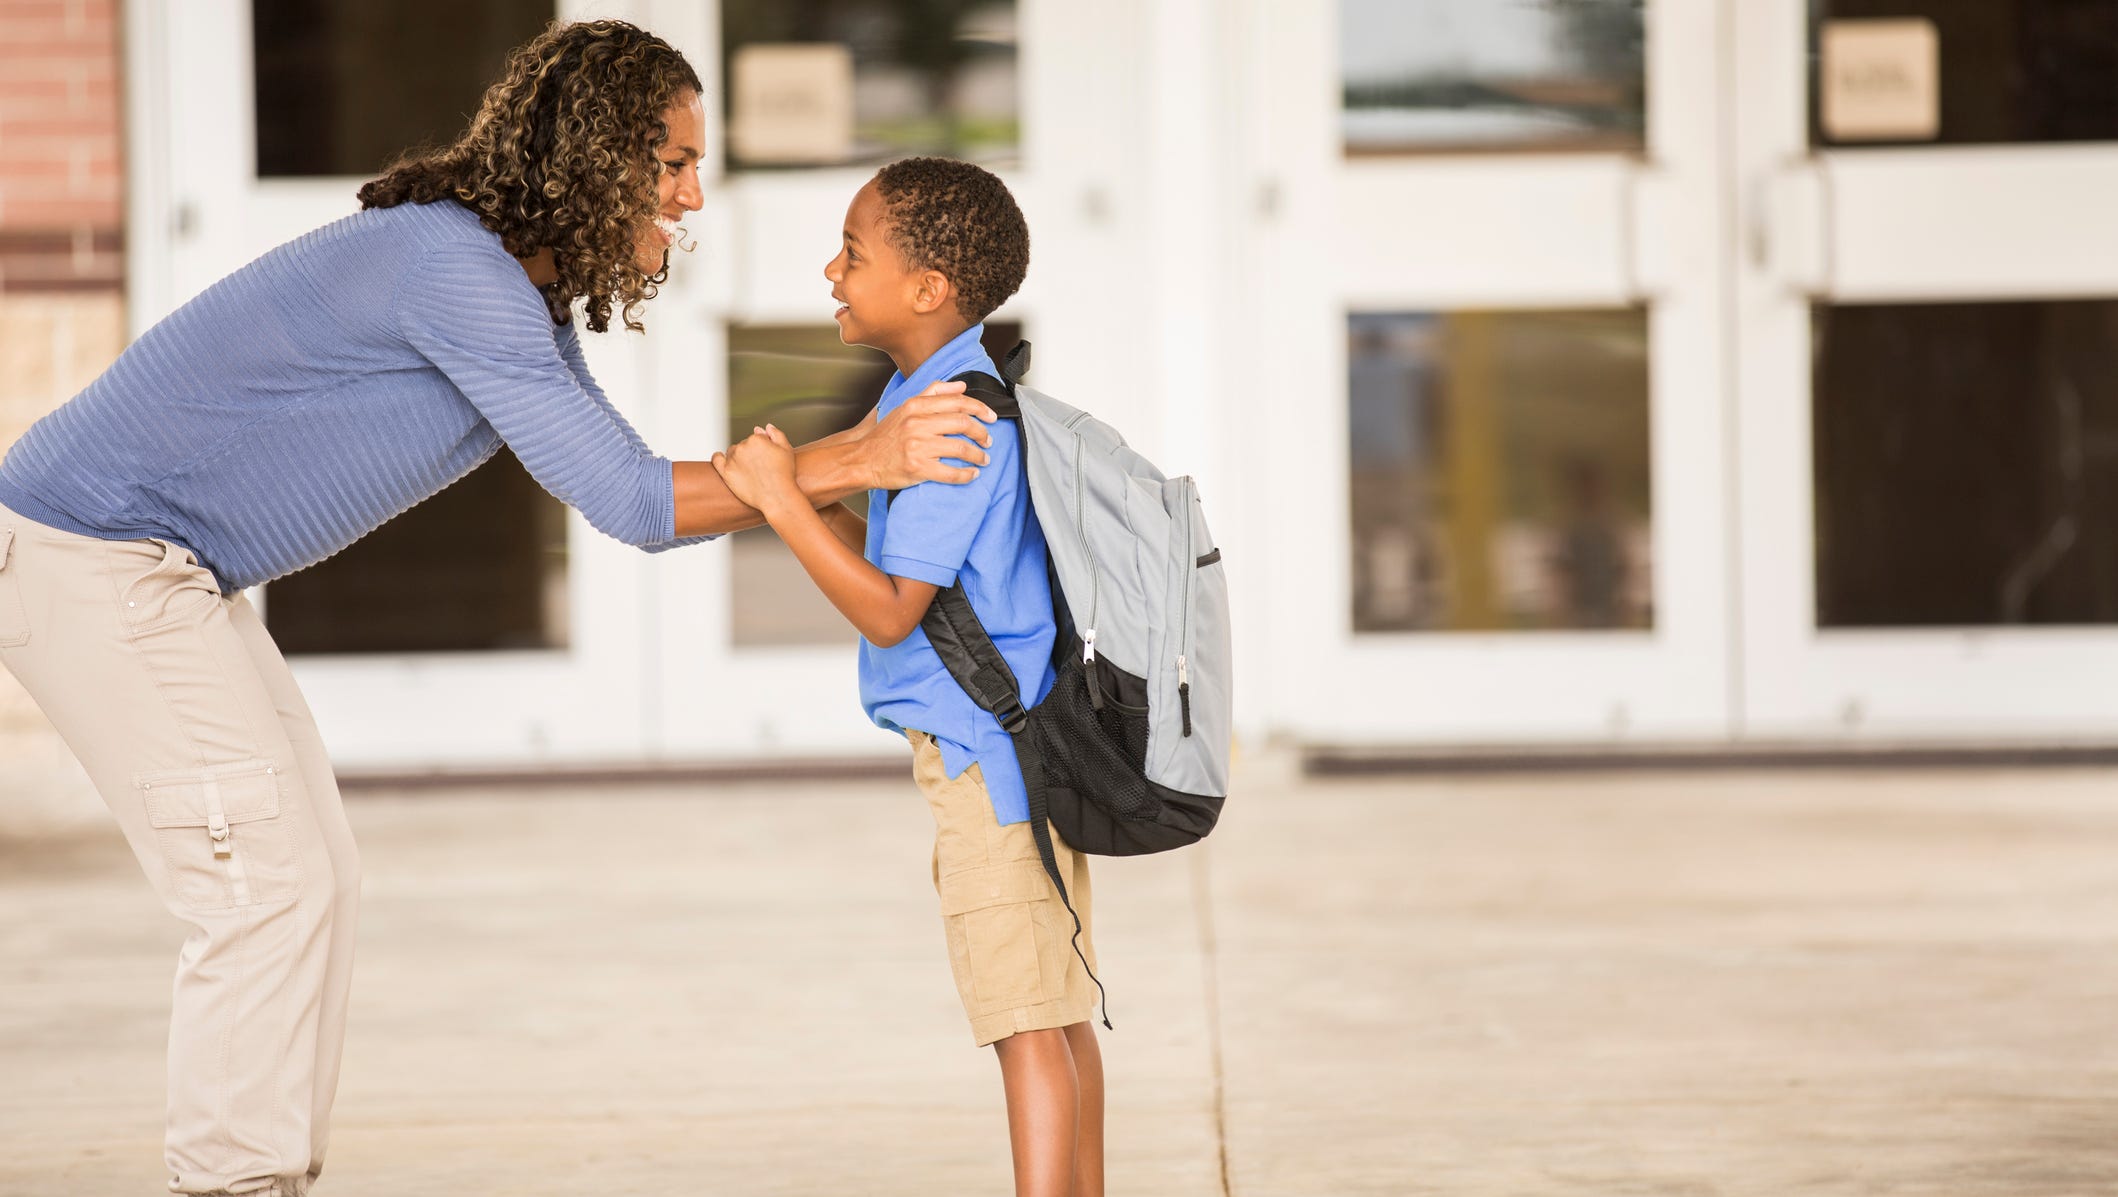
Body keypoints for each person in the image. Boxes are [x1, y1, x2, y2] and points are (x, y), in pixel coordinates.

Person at [0, 21, 995, 1197]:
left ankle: (259, 1178)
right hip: (97, 557)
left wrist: (828, 467)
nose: (692, 194)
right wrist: (854, 458)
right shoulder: (451, 272)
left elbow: (634, 489)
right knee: (261, 887)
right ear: (594, 154)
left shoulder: (519, 294)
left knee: (313, 875)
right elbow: (637, 501)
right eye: (671, 163)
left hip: (168, 571)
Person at [712, 158, 1104, 1197]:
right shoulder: (937, 391)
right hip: (1017, 751)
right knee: (1056, 1009)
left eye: (854, 252)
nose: (831, 270)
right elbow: (901, 563)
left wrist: (784, 503)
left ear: (928, 289)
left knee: (1025, 1026)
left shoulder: (948, 425)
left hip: (987, 768)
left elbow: (891, 609)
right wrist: (813, 490)